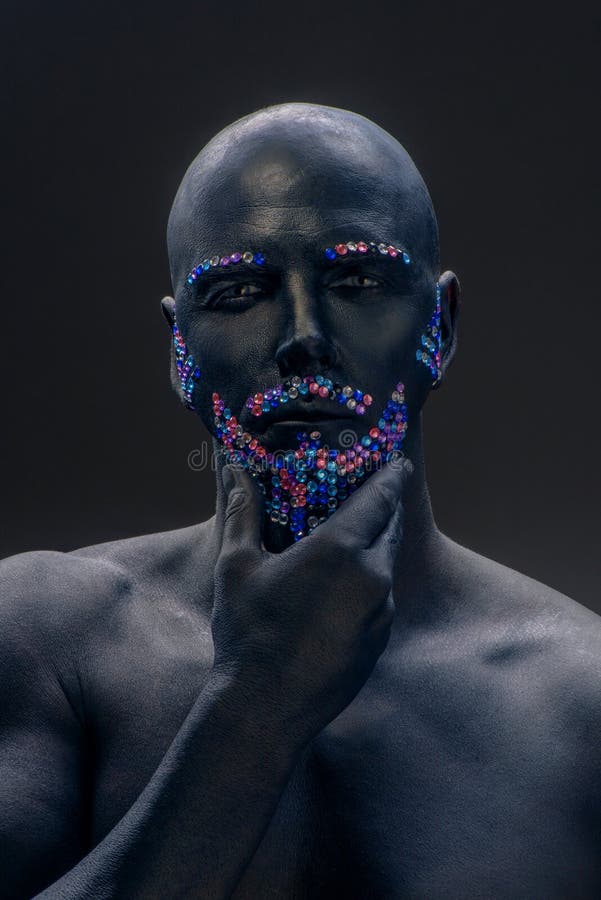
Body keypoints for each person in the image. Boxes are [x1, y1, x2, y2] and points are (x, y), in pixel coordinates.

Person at [1, 102, 599, 900]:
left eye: (357, 279)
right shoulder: (48, 640)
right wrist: (255, 705)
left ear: (441, 327)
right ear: (180, 352)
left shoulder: (579, 698)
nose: (301, 337)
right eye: (238, 292)